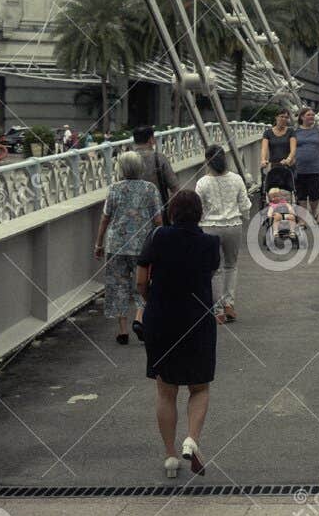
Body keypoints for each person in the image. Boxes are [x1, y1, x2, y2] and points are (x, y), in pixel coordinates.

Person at [135, 189, 220, 478]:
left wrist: (152, 303)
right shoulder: (210, 243)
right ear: (200, 213)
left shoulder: (158, 236)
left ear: (171, 213)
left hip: (161, 319)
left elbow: (141, 280)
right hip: (197, 319)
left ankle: (171, 456)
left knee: (165, 390)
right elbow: (206, 276)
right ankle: (192, 439)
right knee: (199, 387)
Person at [93, 150, 162, 344]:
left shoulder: (114, 189)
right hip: (143, 245)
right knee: (144, 283)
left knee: (118, 286)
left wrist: (99, 243)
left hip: (116, 245)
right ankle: (139, 318)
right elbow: (158, 219)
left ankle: (122, 331)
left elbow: (105, 219)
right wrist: (162, 241)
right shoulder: (150, 189)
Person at [194, 145, 247, 323]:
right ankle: (229, 304)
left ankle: (217, 310)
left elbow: (198, 208)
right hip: (233, 225)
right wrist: (243, 218)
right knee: (231, 266)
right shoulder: (237, 179)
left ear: (207, 161)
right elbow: (245, 205)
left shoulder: (202, 182)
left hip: (210, 228)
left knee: (213, 269)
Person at [292, 107, 319, 224]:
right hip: (298, 168)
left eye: (313, 115)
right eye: (309, 115)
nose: (312, 117)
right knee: (301, 194)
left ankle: (314, 212)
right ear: (301, 117)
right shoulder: (294, 131)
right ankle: (302, 218)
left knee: (315, 195)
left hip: (315, 168)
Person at [130, 125, 178, 208]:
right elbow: (175, 188)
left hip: (133, 213)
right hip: (158, 212)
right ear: (151, 140)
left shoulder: (125, 160)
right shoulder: (159, 158)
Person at [261, 108, 297, 176]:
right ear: (276, 117)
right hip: (274, 165)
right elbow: (264, 148)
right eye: (282, 116)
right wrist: (263, 159)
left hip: (288, 165)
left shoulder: (291, 131)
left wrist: (288, 159)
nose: (284, 119)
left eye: (286, 117)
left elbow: (293, 149)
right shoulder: (267, 133)